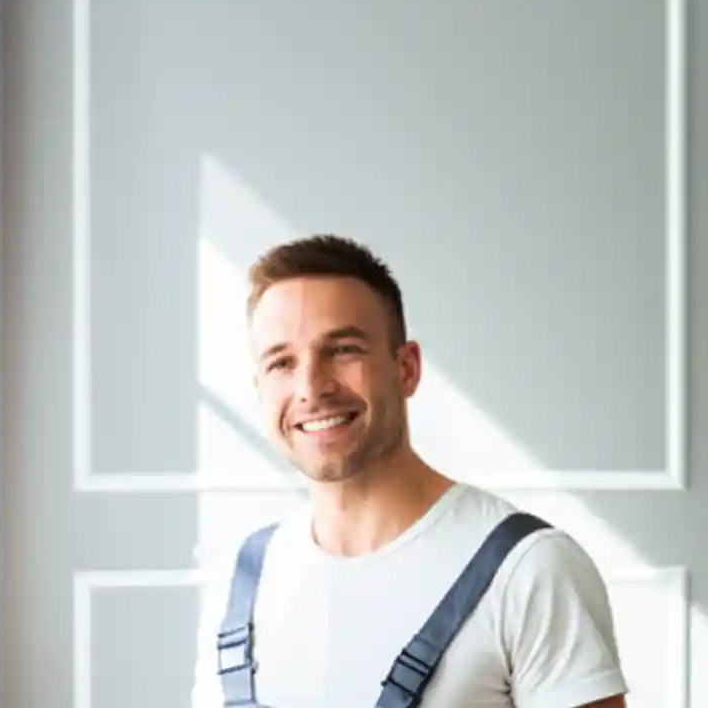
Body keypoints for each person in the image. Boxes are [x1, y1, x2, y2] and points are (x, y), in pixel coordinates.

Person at [191, 235, 628, 707]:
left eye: (342, 350)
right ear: (259, 388)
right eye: (282, 362)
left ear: (407, 369)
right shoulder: (239, 583)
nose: (311, 388)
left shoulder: (529, 568)